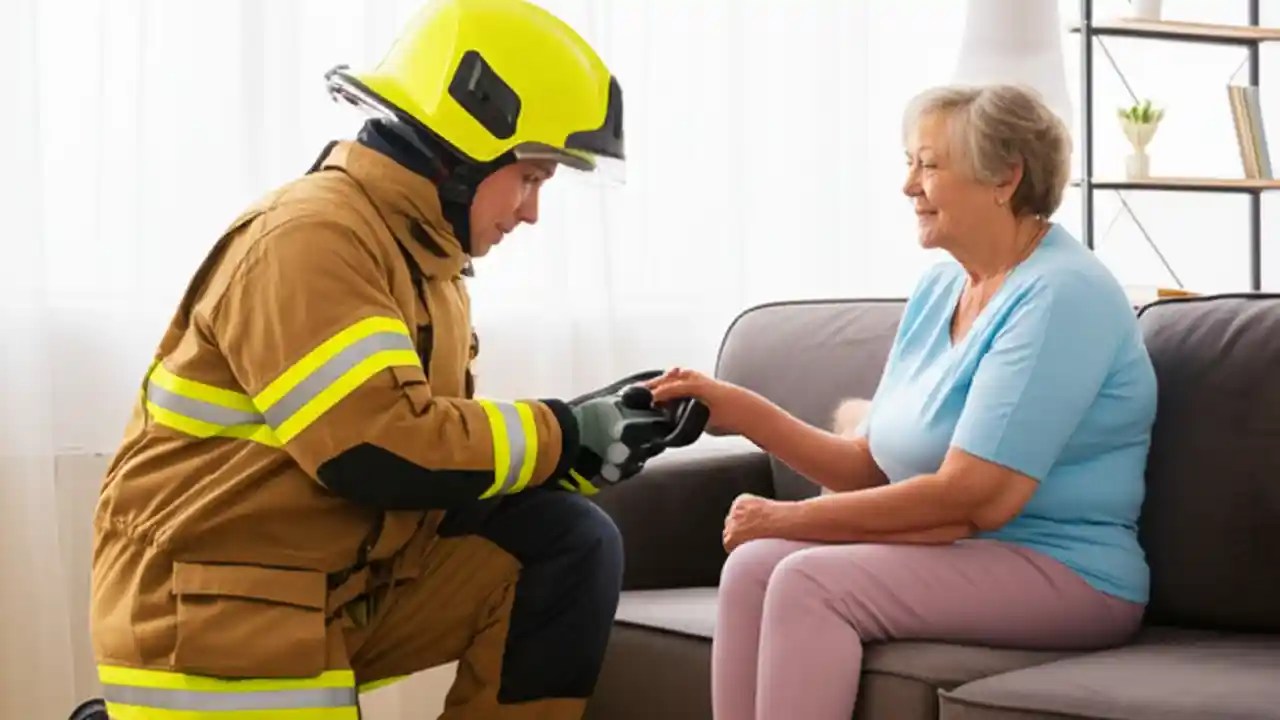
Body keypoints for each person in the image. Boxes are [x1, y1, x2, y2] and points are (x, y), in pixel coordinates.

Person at [84, 2, 697, 719]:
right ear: (466, 145)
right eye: (531, 177)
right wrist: (563, 431)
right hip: (211, 604)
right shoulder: (311, 240)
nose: (531, 211)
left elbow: (433, 451)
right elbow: (374, 450)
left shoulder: (422, 257)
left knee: (565, 545)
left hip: (327, 584)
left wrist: (580, 444)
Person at [645, 83, 1158, 720]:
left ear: (1005, 177)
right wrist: (741, 410)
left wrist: (788, 517)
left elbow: (973, 500)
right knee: (753, 567)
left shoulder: (1063, 294)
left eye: (929, 165)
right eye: (909, 163)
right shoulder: (942, 286)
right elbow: (870, 468)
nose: (909, 185)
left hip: (1066, 569)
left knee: (808, 581)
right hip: (965, 551)